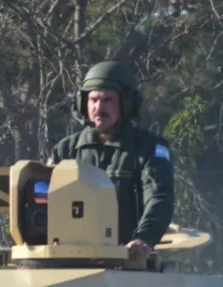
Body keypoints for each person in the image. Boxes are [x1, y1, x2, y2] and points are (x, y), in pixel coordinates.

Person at [50, 61, 174, 259]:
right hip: (71, 259)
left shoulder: (148, 148)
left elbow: (158, 197)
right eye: (93, 100)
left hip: (128, 261)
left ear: (126, 104)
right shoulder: (66, 150)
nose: (99, 107)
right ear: (83, 103)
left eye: (108, 100)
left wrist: (144, 239)